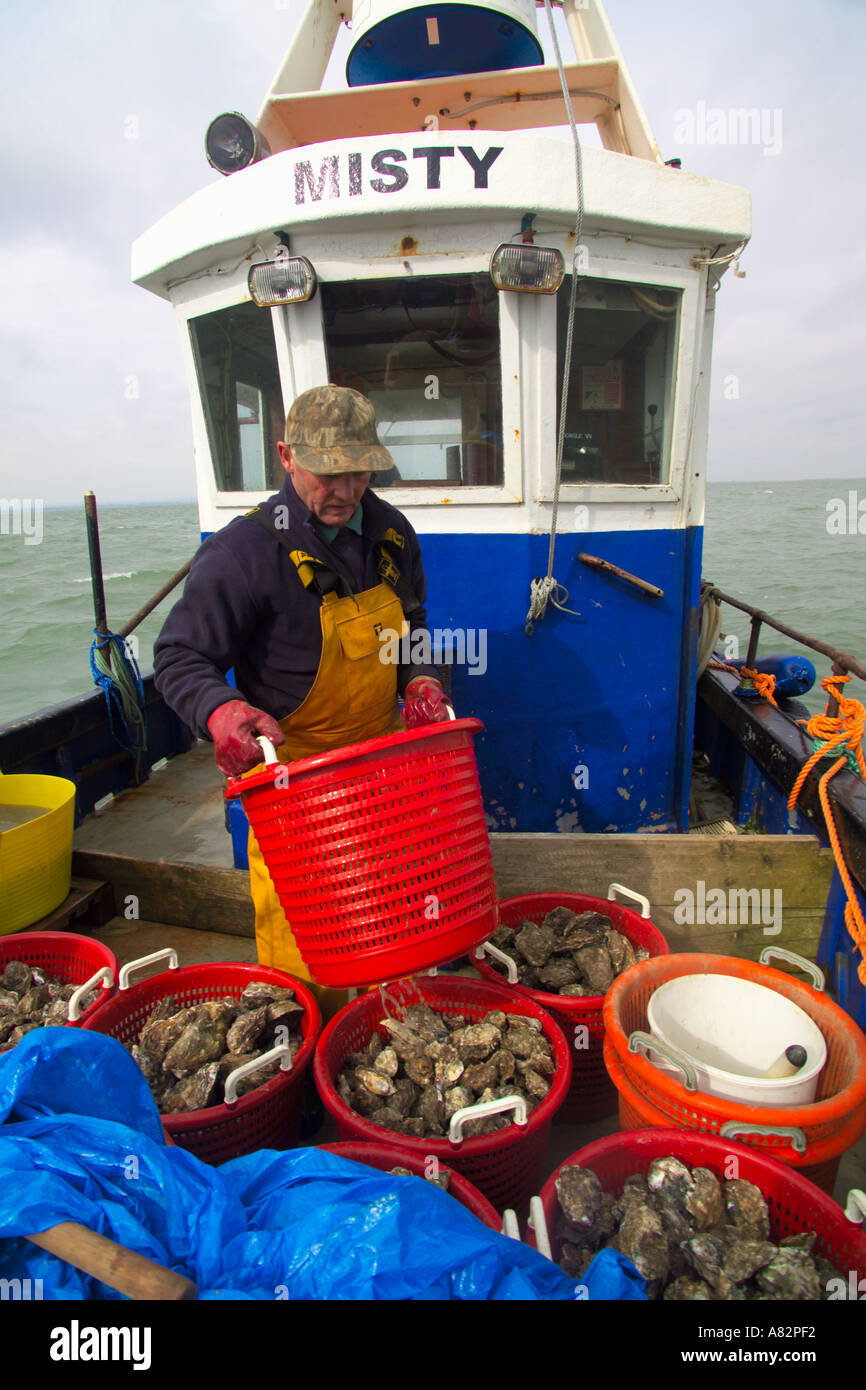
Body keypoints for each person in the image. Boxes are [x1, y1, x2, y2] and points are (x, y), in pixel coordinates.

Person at [154, 385, 453, 1012]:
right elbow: (179, 656)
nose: (343, 490)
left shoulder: (393, 533)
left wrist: (421, 679)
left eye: (357, 471)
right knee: (305, 965)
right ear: (287, 457)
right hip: (294, 789)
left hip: (383, 776)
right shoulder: (244, 552)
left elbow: (414, 623)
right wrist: (221, 710)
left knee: (390, 935)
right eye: (326, 473)